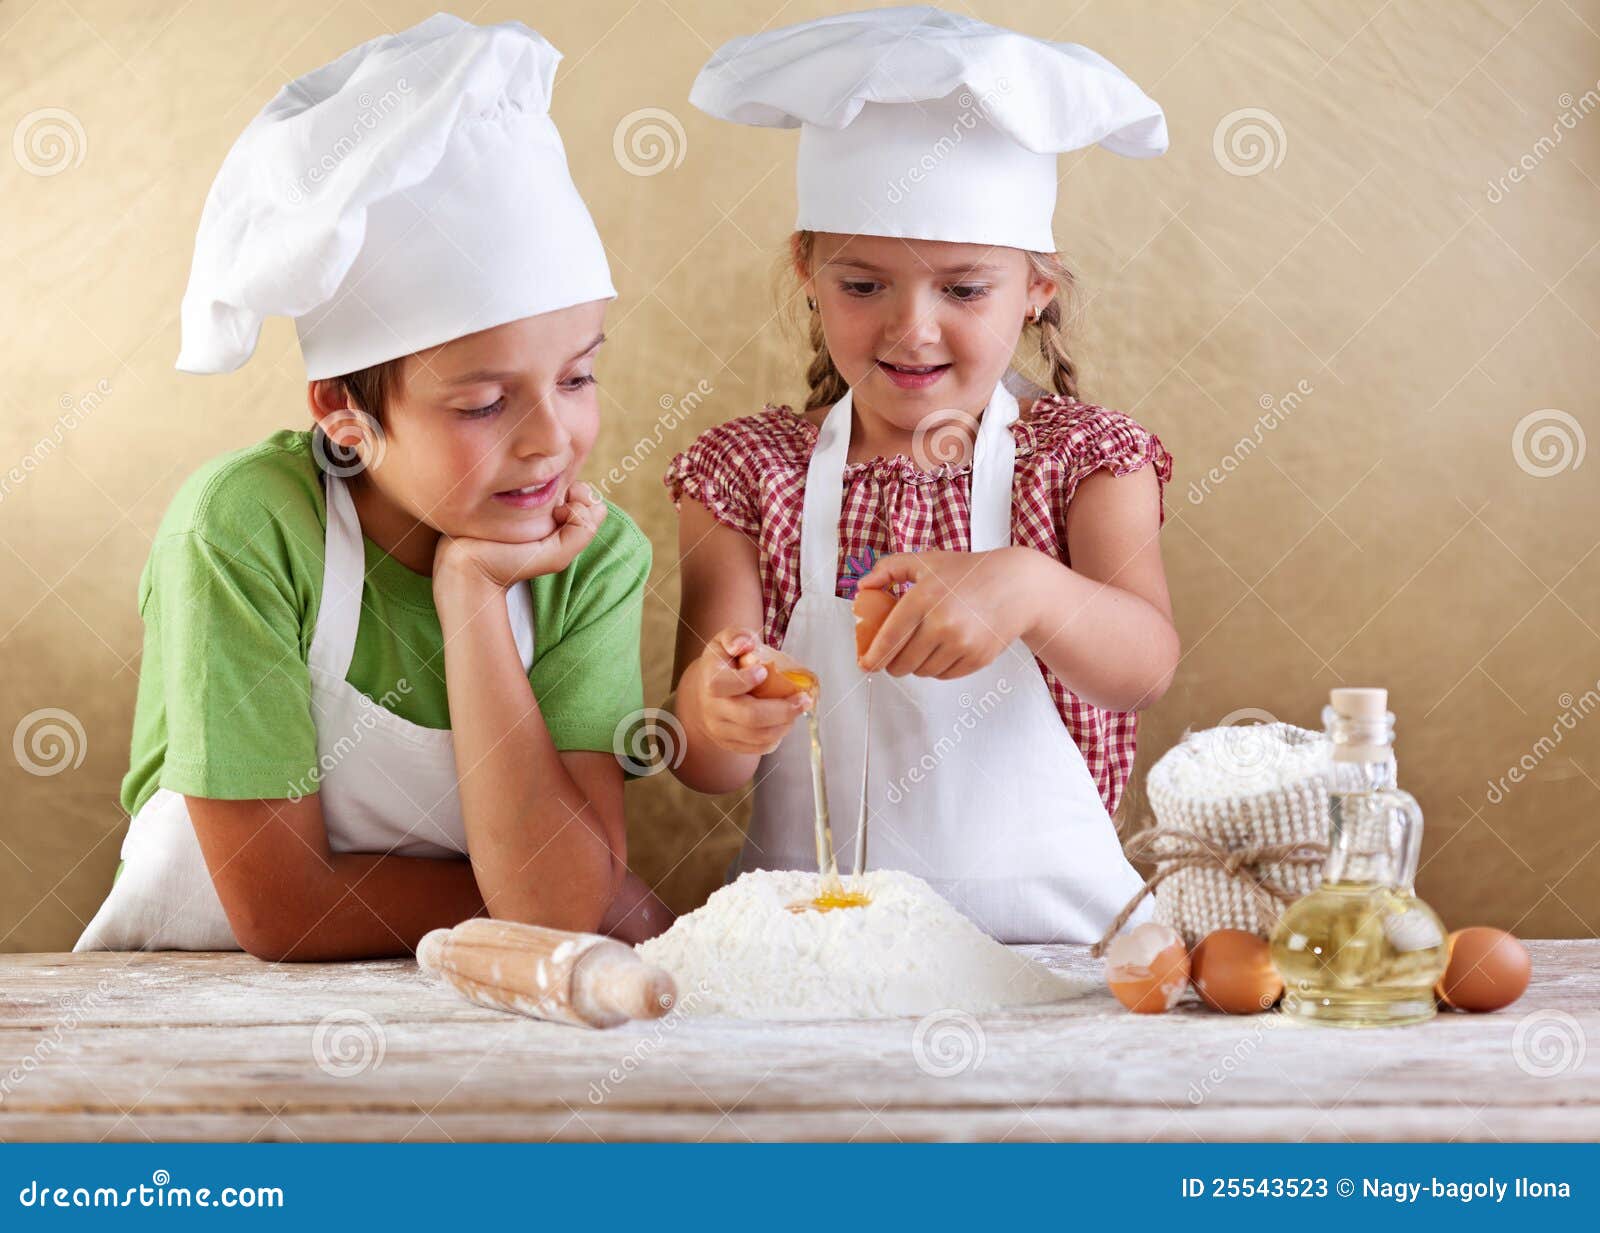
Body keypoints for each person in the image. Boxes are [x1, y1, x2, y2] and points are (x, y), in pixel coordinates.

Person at [75, 14, 669, 959]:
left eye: (578, 376)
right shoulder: (241, 532)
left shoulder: (591, 553)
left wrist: (472, 593)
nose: (552, 441)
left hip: (471, 1015)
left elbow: (556, 906)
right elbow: (279, 912)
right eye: (483, 404)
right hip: (201, 1018)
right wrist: (568, 895)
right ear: (345, 418)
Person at [662, 7, 1178, 943]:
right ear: (809, 273)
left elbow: (1141, 671)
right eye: (863, 286)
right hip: (813, 965)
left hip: (1057, 965)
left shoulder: (1079, 462)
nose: (912, 329)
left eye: (964, 288)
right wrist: (719, 709)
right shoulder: (749, 475)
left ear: (1037, 290)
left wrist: (1026, 585)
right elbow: (703, 763)